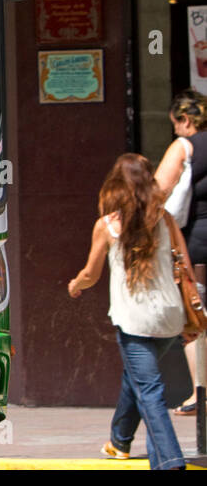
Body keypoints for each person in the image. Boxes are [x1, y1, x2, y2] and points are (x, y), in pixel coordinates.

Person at [68, 152, 191, 469]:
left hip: (134, 321)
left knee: (149, 390)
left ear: (117, 185)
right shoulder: (165, 219)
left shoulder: (108, 225)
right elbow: (186, 268)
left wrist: (75, 284)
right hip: (170, 319)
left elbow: (91, 274)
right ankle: (120, 441)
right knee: (137, 377)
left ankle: (170, 461)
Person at [153, 89, 207, 414]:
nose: (175, 130)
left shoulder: (185, 146)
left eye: (175, 124)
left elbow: (158, 190)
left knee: (196, 315)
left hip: (197, 245)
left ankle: (201, 392)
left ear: (186, 120)